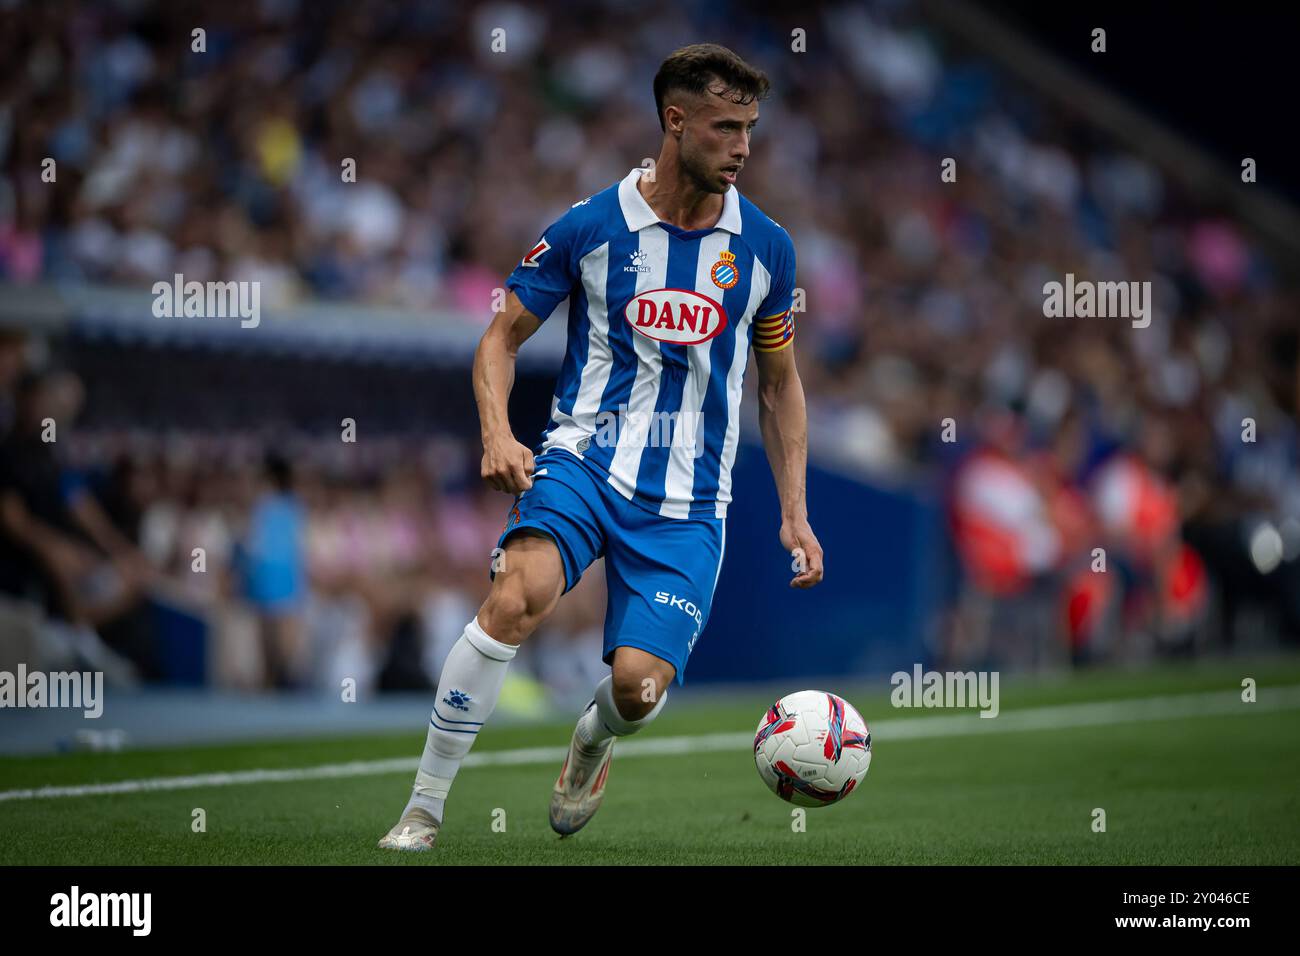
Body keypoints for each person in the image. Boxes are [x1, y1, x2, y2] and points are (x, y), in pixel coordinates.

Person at [380, 43, 824, 852]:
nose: (744, 146)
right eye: (727, 127)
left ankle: (594, 737)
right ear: (676, 121)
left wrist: (794, 511)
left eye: (751, 127)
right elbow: (498, 339)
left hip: (689, 503)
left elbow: (779, 382)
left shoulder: (765, 248)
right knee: (517, 596)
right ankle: (423, 808)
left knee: (638, 687)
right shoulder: (589, 228)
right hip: (584, 462)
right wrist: (498, 433)